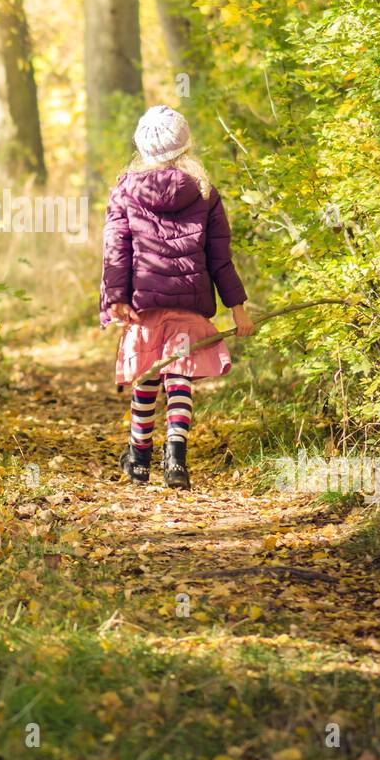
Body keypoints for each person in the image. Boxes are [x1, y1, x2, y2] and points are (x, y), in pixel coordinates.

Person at [100, 105, 253, 489]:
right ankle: (176, 460)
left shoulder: (124, 192)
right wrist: (238, 309)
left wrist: (115, 299)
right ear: (186, 146)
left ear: (141, 148)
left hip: (143, 308)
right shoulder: (204, 193)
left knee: (147, 376)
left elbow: (116, 251)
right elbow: (220, 258)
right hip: (188, 305)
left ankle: (138, 458)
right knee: (179, 377)